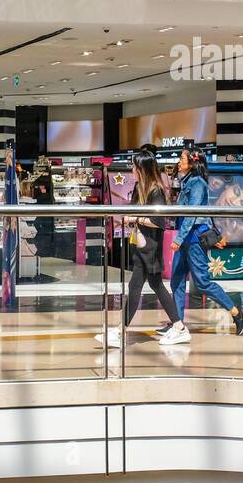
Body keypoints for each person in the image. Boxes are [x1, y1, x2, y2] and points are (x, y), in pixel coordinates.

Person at [96, 147, 188, 348]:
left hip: (150, 248)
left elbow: (158, 221)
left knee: (136, 286)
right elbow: (134, 211)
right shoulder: (140, 188)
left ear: (142, 168)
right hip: (140, 244)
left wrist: (134, 218)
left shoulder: (156, 191)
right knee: (155, 285)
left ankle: (121, 330)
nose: (131, 169)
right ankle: (179, 327)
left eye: (134, 166)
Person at [166, 147, 243, 335]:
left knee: (202, 282)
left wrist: (178, 238)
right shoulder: (186, 182)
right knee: (176, 281)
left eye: (182, 159)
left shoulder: (198, 183)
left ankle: (236, 312)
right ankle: (178, 324)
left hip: (193, 239)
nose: (179, 161)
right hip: (186, 238)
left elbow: (191, 215)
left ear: (193, 163)